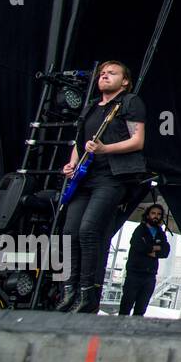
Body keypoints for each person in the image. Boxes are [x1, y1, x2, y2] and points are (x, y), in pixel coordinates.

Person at [57, 61, 148, 313]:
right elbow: (80, 143)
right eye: (102, 73)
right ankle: (69, 290)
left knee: (88, 230)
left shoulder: (130, 103)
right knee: (69, 232)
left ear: (125, 81)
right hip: (85, 178)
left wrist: (105, 149)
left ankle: (88, 293)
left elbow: (137, 140)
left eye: (112, 73)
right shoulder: (89, 109)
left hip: (112, 177)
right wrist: (72, 165)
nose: (104, 76)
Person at [119, 203, 170, 316]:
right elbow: (138, 246)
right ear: (147, 215)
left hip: (150, 276)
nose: (156, 216)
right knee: (125, 307)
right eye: (153, 213)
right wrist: (155, 247)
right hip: (134, 274)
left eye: (158, 214)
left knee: (141, 309)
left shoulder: (161, 233)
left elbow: (166, 251)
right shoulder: (140, 230)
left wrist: (152, 251)